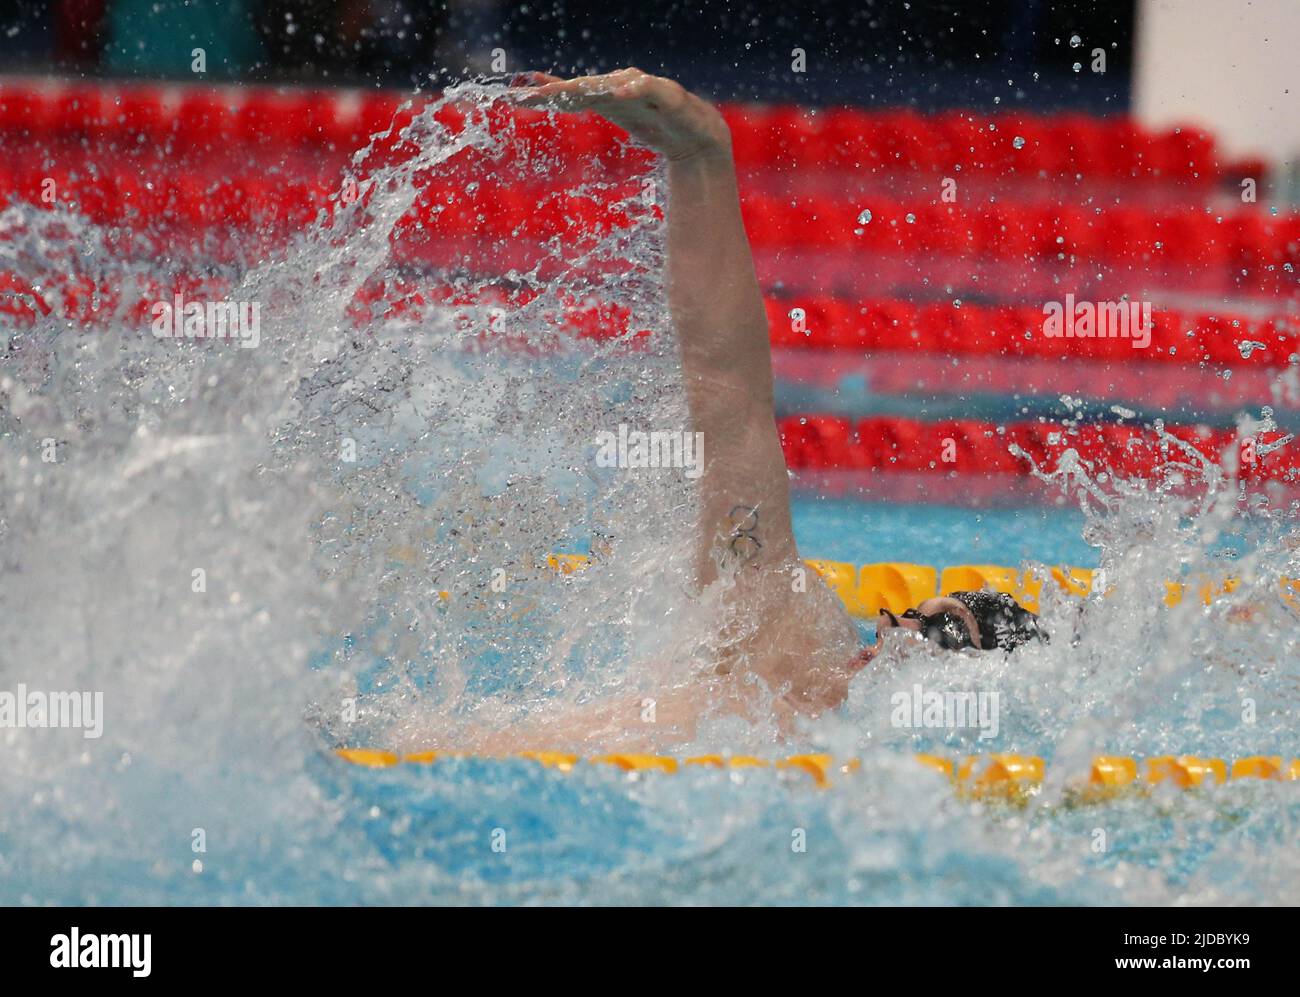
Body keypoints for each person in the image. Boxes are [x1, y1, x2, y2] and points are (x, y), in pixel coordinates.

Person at [441, 69, 1044, 753]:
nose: (898, 629)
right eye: (905, 614)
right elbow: (728, 400)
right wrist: (700, 158)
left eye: (937, 631)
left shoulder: (848, 762)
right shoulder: (786, 639)